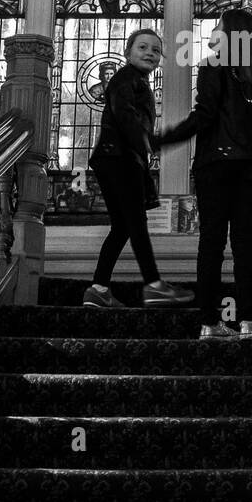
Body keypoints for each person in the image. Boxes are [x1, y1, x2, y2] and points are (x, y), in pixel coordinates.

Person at [154, 8, 252, 340]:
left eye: (218, 27)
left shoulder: (212, 68)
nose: (212, 32)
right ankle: (249, 322)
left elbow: (205, 115)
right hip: (251, 168)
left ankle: (210, 323)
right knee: (245, 242)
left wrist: (162, 138)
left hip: (215, 165)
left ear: (232, 36)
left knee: (211, 242)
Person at [83, 29, 193, 309]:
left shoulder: (134, 80)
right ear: (127, 52)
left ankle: (98, 288)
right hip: (120, 158)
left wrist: (144, 144)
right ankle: (155, 286)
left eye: (156, 50)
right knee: (136, 224)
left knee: (122, 226)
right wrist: (146, 143)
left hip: (114, 157)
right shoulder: (126, 78)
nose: (150, 53)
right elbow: (124, 114)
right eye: (142, 47)